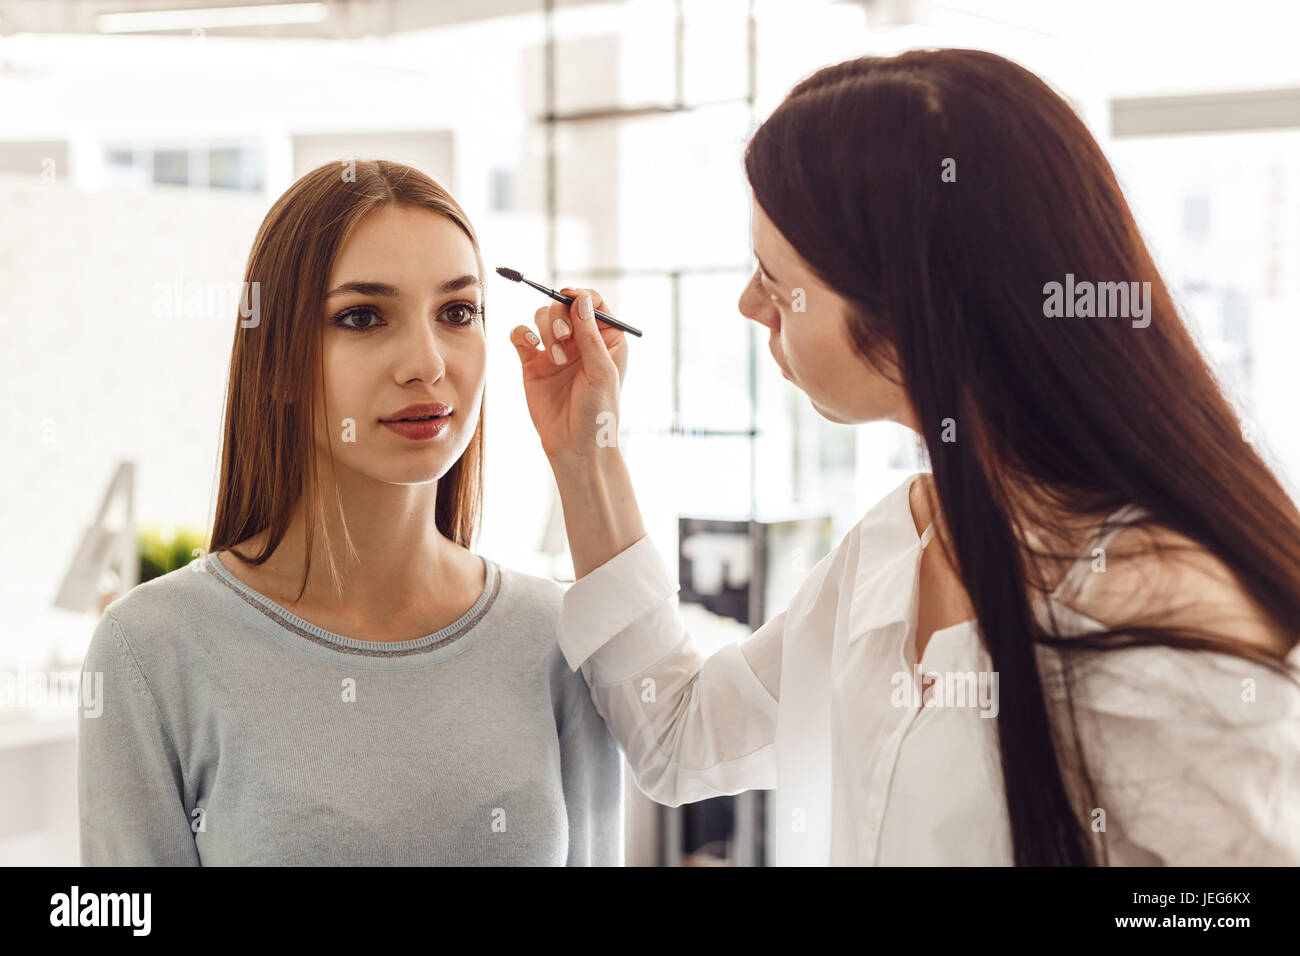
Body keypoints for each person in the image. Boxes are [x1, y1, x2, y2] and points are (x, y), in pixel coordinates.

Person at [509, 49, 1300, 865]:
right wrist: (585, 450)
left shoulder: (1172, 632)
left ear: (912, 314)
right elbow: (678, 736)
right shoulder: (900, 543)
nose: (748, 305)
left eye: (779, 287)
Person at [78, 159, 622, 866]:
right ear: (275, 364)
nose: (426, 363)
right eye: (362, 317)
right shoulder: (150, 651)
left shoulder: (559, 637)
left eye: (457, 312)